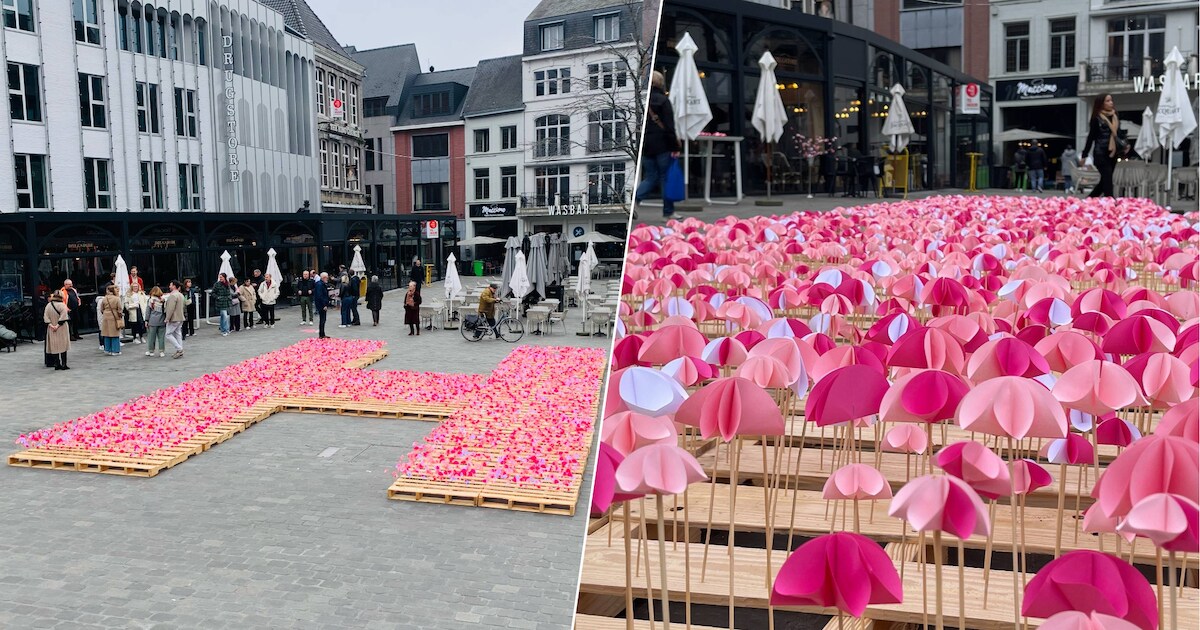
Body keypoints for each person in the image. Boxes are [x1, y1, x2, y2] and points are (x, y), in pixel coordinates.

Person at [636, 70, 681, 219]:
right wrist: (675, 146)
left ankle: (634, 200)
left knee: (650, 177)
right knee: (665, 178)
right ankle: (668, 212)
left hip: (646, 145)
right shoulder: (663, 100)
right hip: (662, 144)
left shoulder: (642, 99)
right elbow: (669, 126)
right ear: (660, 83)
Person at [1082, 93, 1120, 198]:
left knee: (1105, 181)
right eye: (1107, 101)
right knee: (1107, 180)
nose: (1111, 103)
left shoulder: (1115, 115)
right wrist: (1084, 154)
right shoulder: (1096, 118)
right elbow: (1091, 137)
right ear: (1101, 103)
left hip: (1113, 153)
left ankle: (1088, 200)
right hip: (1101, 153)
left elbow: (1118, 133)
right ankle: (1110, 201)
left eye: (1111, 100)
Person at [44, 291, 70, 370]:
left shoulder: (48, 305)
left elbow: (46, 317)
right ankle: (64, 364)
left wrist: (51, 325)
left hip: (51, 328)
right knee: (63, 346)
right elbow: (64, 317)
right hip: (61, 328)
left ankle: (56, 363)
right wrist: (57, 325)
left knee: (54, 346)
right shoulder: (62, 305)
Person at [99, 285, 124, 356]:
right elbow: (119, 309)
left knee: (107, 334)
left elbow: (101, 309)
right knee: (115, 334)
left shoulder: (104, 299)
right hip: (114, 316)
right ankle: (115, 350)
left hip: (106, 316)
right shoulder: (117, 299)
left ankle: (107, 349)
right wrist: (120, 315)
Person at [165, 280, 185, 359]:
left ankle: (179, 349)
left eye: (170, 285)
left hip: (174, 318)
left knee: (168, 334)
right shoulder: (180, 295)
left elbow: (170, 308)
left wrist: (167, 318)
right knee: (178, 334)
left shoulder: (173, 295)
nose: (169, 286)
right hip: (180, 317)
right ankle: (180, 349)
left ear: (174, 286)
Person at [145, 286, 167, 357]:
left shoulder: (151, 300)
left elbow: (148, 311)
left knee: (151, 337)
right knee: (161, 337)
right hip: (162, 320)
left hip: (152, 321)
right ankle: (161, 351)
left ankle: (151, 351)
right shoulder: (163, 300)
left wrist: (146, 320)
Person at [314, 272, 331, 338]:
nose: (327, 279)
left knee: (323, 319)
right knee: (322, 319)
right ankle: (321, 334)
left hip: (322, 303)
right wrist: (324, 305)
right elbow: (320, 296)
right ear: (324, 277)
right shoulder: (320, 284)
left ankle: (322, 333)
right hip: (321, 304)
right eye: (327, 277)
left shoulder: (321, 284)